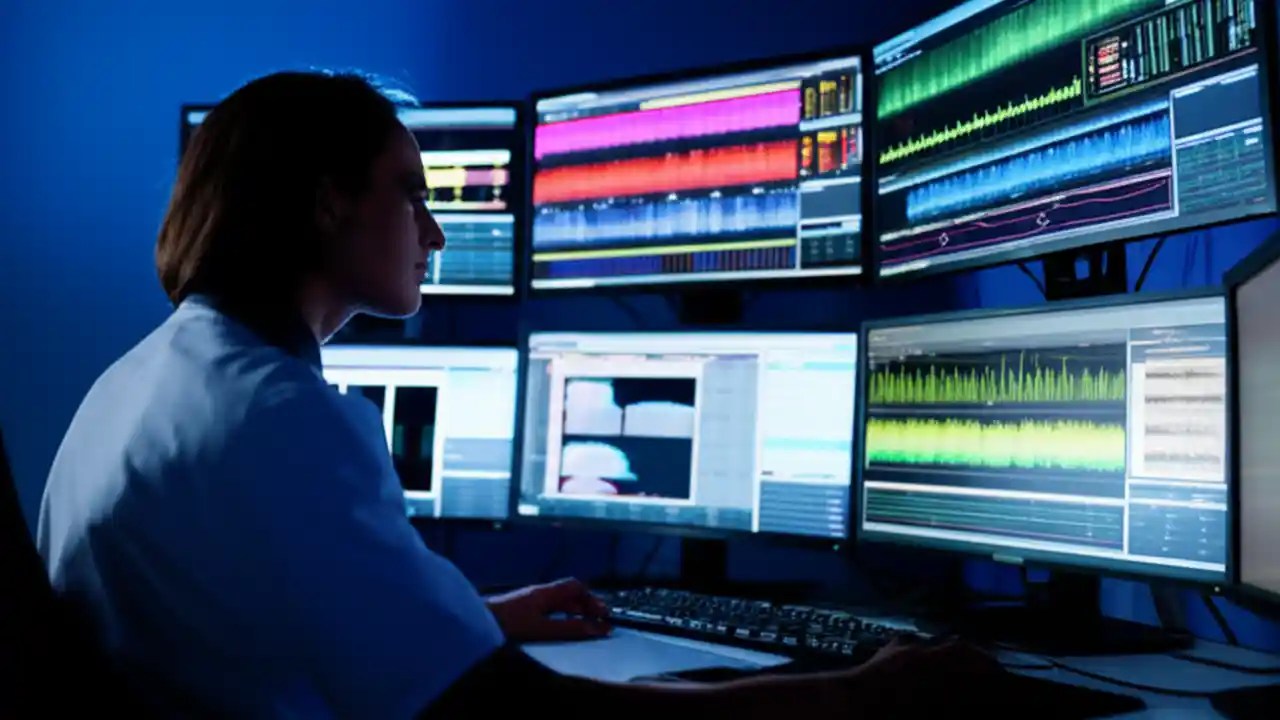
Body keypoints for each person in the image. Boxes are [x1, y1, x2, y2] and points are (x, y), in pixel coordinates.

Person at [37, 71, 1002, 718]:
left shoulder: (135, 386)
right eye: (411, 194)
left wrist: (475, 617)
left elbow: (252, 617)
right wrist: (865, 692)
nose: (434, 234)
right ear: (329, 201)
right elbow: (526, 717)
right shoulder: (283, 420)